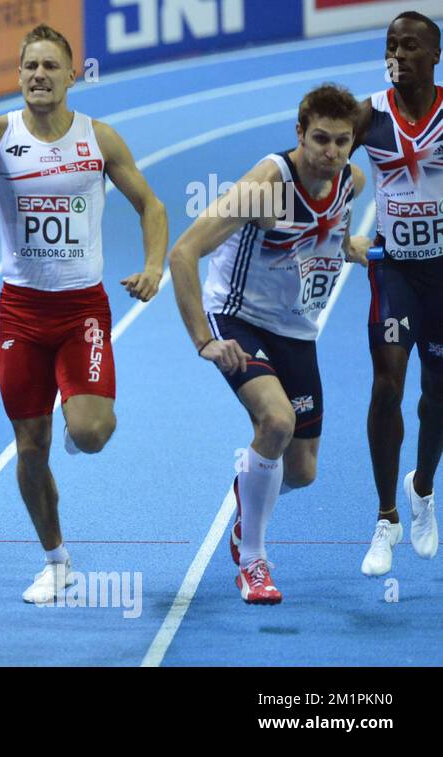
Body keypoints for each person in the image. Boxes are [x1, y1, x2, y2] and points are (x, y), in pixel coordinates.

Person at [0, 23, 167, 604]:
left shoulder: (100, 138)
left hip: (82, 312)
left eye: (50, 66)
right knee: (29, 447)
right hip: (20, 313)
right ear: (17, 77)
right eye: (29, 67)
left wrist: (154, 265)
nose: (39, 75)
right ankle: (56, 559)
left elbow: (152, 204)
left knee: (91, 434)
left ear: (72, 75)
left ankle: (79, 417)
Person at [170, 84, 367, 603]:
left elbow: (333, 226)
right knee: (275, 422)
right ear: (299, 134)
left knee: (300, 472)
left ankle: (247, 490)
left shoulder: (351, 180)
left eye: (342, 142)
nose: (331, 152)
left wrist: (349, 247)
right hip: (239, 319)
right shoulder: (266, 186)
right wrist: (202, 341)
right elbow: (183, 253)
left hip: (296, 330)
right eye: (320, 139)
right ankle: (253, 561)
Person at [356, 11, 443, 576]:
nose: (399, 54)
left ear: (435, 56)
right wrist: (341, 233)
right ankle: (385, 516)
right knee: (387, 387)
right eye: (392, 45)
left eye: (411, 46)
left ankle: (422, 491)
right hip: (392, 273)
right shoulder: (367, 115)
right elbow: (318, 165)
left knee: (438, 397)